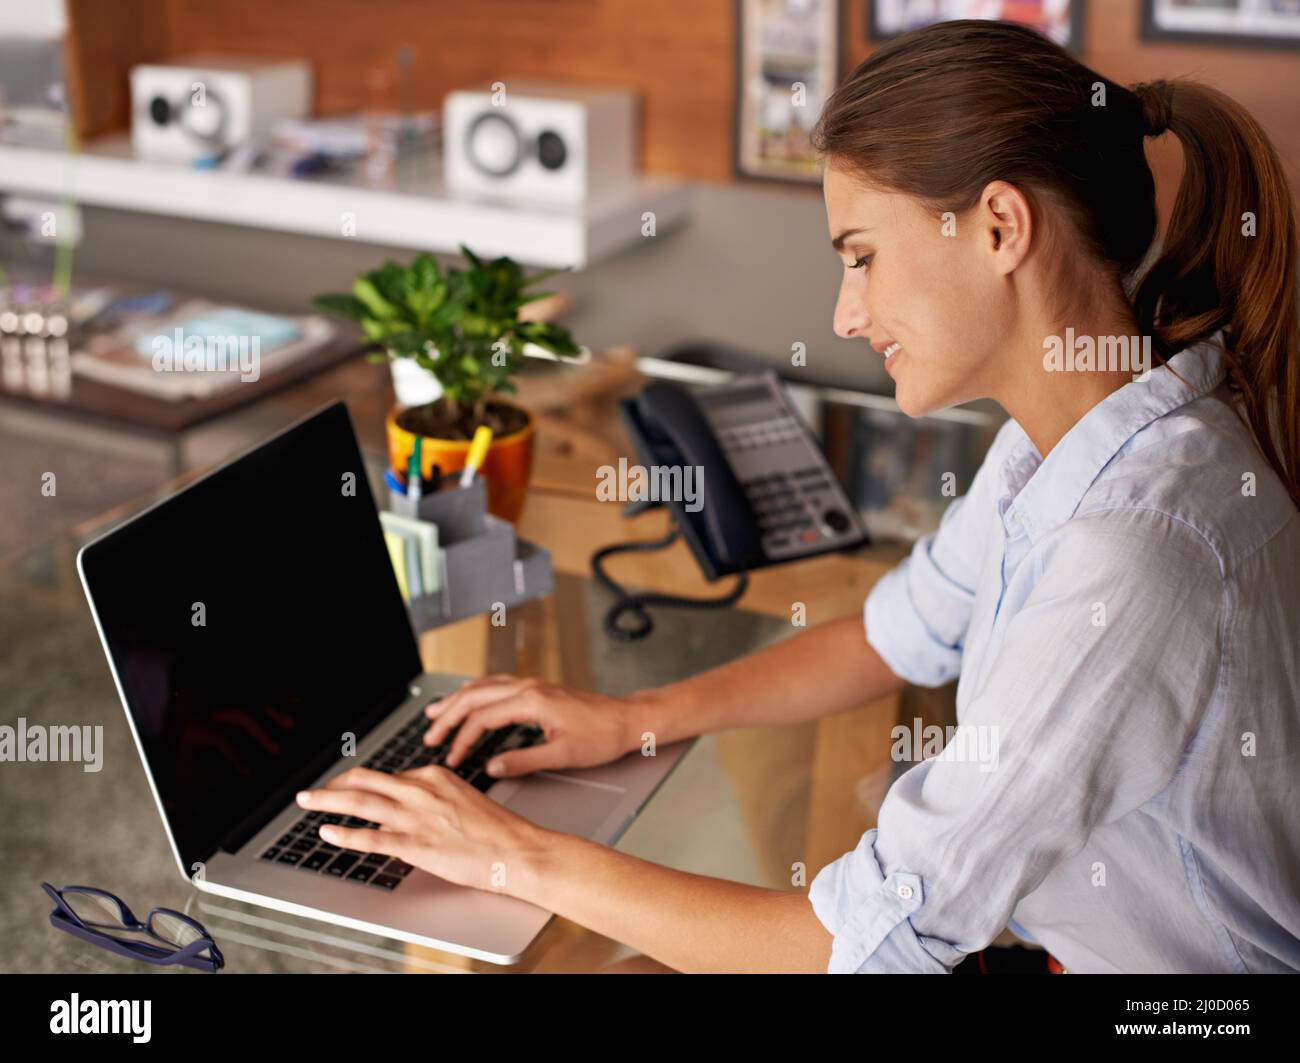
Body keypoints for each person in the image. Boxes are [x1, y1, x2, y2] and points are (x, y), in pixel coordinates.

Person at [295, 21, 1300, 973]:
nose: (847, 312)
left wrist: (511, 855)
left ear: (999, 226)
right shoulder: (1077, 438)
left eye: (861, 257)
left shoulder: (1135, 548)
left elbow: (866, 947)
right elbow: (891, 635)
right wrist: (633, 715)